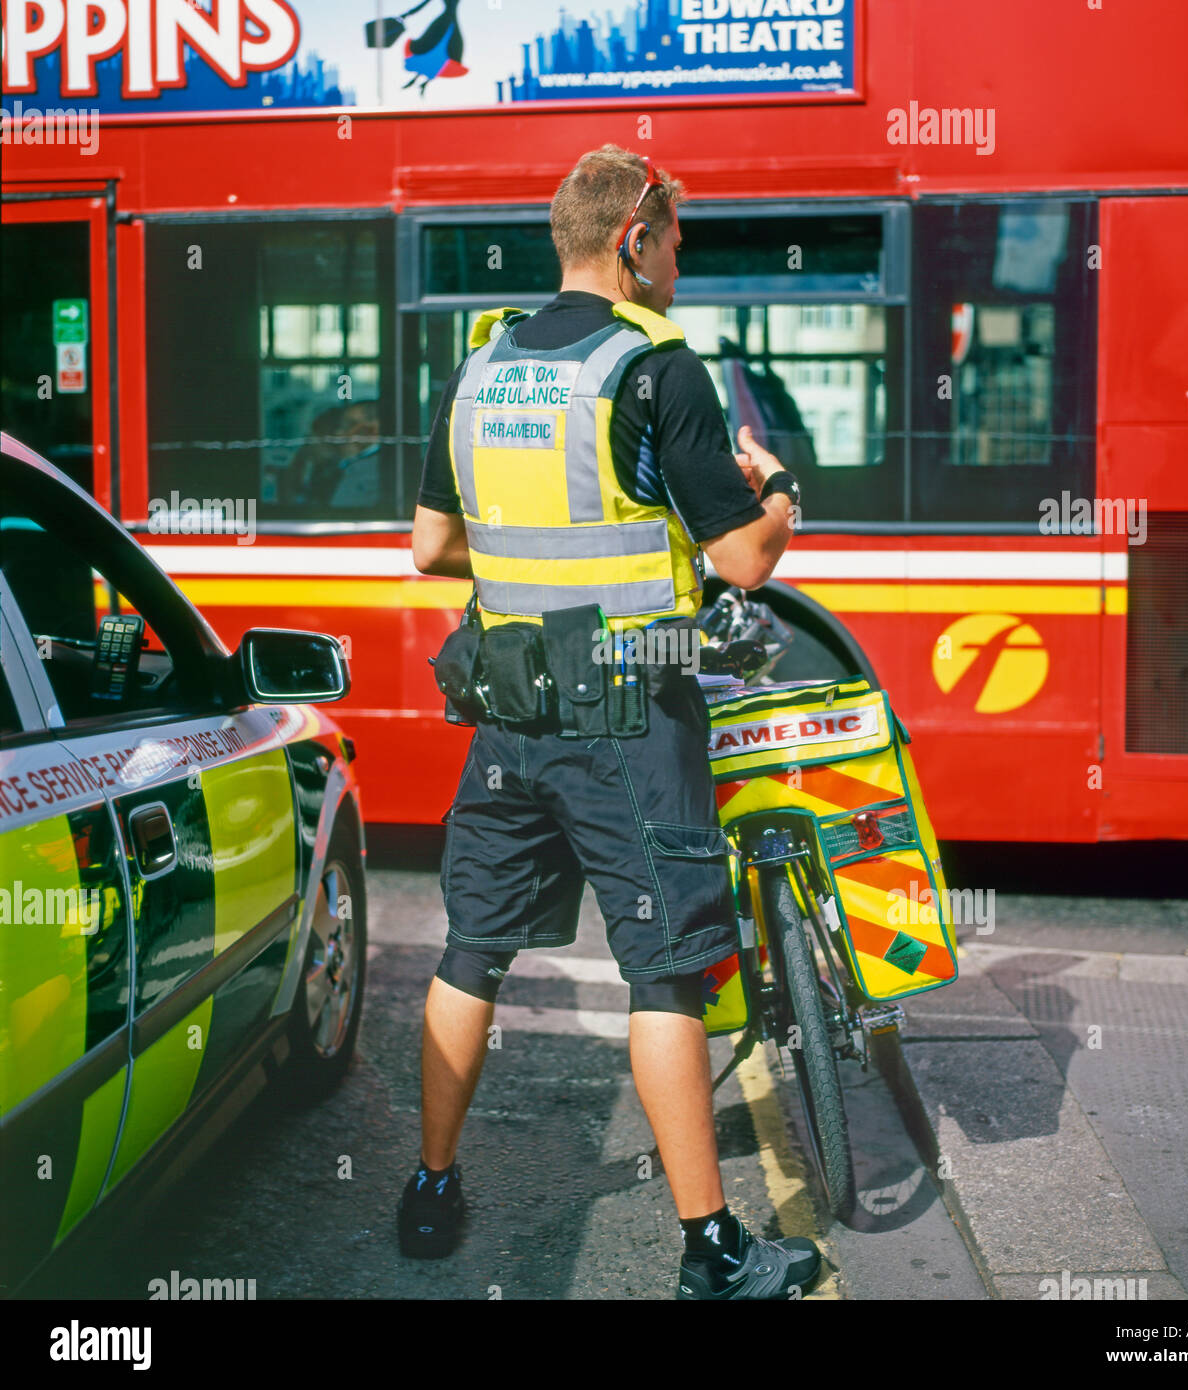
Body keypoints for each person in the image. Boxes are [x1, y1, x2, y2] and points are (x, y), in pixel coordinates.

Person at [403, 144, 811, 1300]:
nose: (680, 263)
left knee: (471, 948)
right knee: (663, 975)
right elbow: (739, 558)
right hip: (630, 715)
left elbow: (432, 548)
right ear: (635, 237)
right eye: (675, 241)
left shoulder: (480, 369)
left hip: (506, 713)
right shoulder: (656, 368)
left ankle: (431, 1188)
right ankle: (711, 1251)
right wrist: (779, 495)